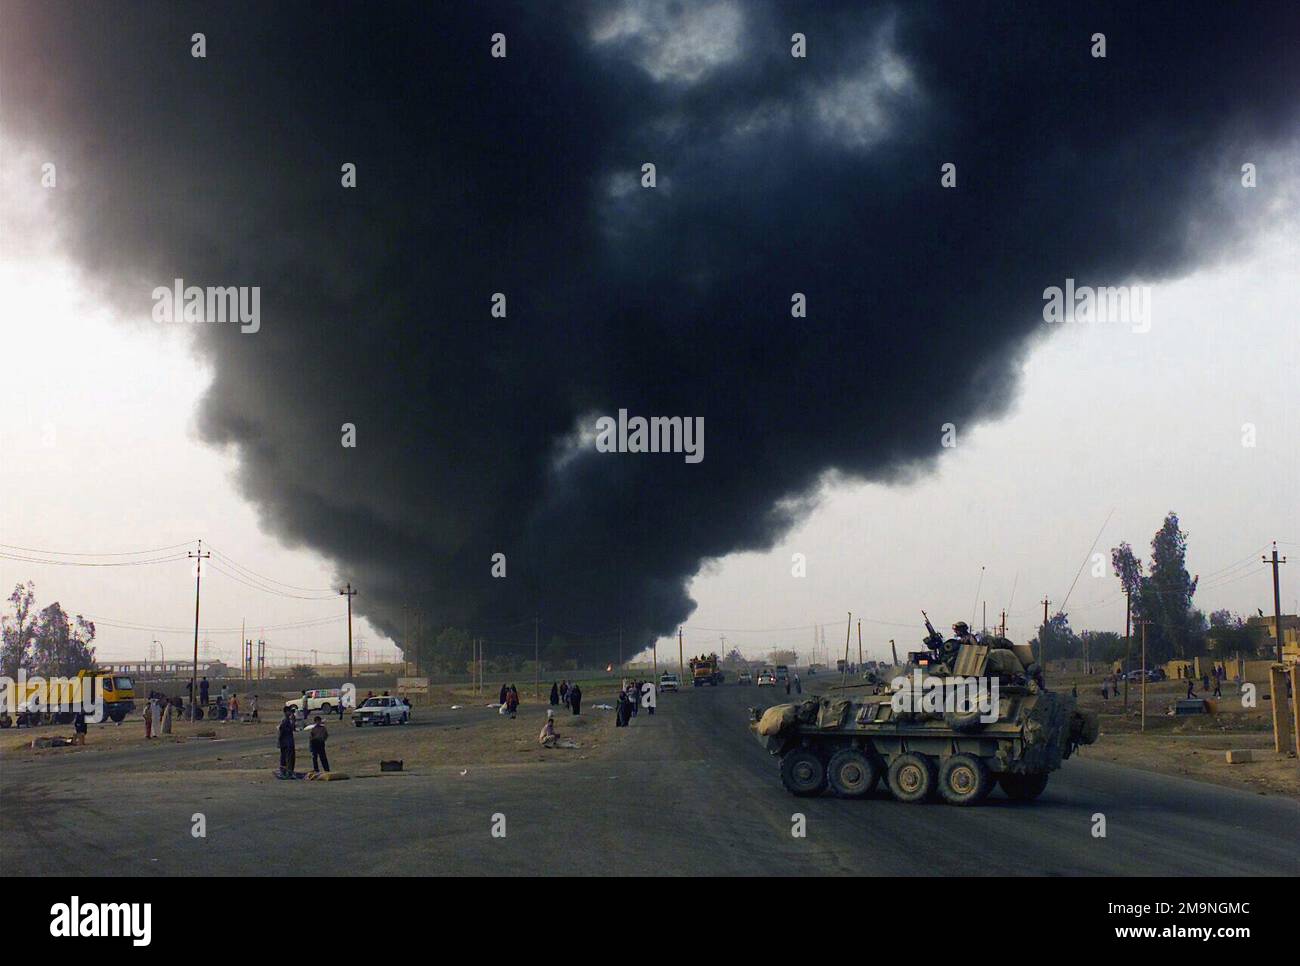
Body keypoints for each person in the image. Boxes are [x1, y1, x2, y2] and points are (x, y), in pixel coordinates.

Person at [278, 707, 296, 777]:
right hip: (286, 743)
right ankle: (286, 772)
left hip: (289, 742)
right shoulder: (285, 721)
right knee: (287, 758)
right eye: (289, 712)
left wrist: (293, 721)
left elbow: (292, 729)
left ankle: (288, 772)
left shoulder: (289, 720)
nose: (290, 713)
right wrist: (279, 742)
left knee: (289, 758)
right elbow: (281, 732)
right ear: (285, 712)